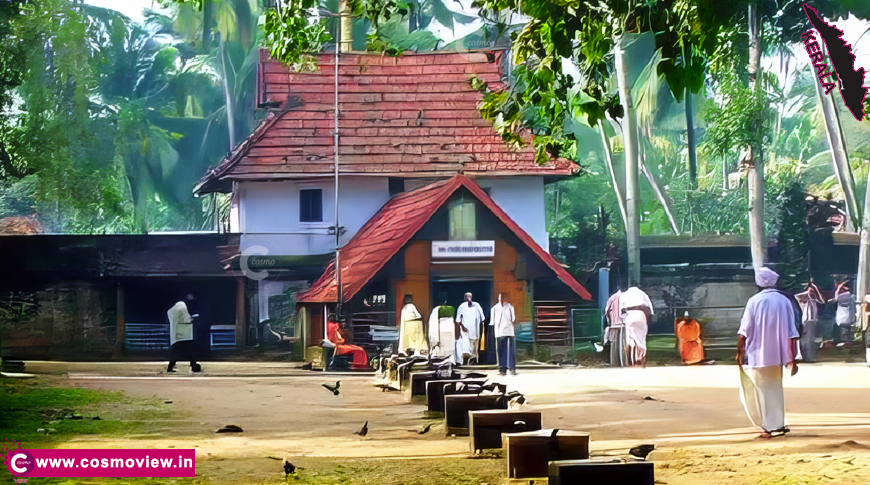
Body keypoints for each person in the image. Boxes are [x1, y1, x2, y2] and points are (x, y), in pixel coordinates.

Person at [737, 267, 800, 439]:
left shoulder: (754, 301)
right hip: (778, 355)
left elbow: (744, 330)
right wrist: (792, 358)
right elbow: (791, 332)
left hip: (757, 353)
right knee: (775, 389)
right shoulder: (784, 301)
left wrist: (739, 351)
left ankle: (768, 426)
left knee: (761, 391)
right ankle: (777, 423)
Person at [619, 286, 653, 367]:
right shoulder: (642, 293)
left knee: (629, 338)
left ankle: (630, 360)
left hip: (629, 315)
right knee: (641, 339)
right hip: (640, 315)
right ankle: (641, 359)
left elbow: (621, 309)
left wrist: (622, 318)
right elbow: (650, 308)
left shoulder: (624, 295)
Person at [167, 294, 202, 373]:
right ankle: (193, 366)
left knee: (175, 351)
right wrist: (193, 319)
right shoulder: (182, 307)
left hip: (177, 333)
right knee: (191, 349)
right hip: (185, 334)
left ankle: (170, 367)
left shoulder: (175, 307)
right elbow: (186, 319)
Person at [795, 279, 824, 362]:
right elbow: (797, 296)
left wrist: (815, 289)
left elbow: (822, 301)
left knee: (809, 340)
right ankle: (803, 356)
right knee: (803, 340)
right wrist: (807, 291)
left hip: (811, 320)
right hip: (803, 320)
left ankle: (809, 357)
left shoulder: (813, 298)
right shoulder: (800, 297)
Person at [490, 293, 517, 376]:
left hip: (509, 332)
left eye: (503, 297)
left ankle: (512, 368)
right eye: (500, 297)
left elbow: (513, 319)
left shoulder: (510, 307)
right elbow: (492, 322)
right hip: (499, 332)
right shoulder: (494, 308)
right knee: (500, 351)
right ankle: (502, 369)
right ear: (498, 298)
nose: (502, 299)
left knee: (510, 351)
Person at [456, 292, 485, 364]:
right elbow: (458, 319)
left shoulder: (477, 306)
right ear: (464, 298)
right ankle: (465, 362)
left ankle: (475, 362)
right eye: (466, 297)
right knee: (466, 348)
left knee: (474, 349)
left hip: (475, 331)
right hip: (465, 332)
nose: (468, 299)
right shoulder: (462, 306)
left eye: (469, 297)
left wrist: (481, 329)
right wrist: (462, 327)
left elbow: (482, 318)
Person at [604, 289, 625, 367]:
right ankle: (624, 363)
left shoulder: (612, 298)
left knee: (614, 345)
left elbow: (607, 311)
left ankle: (614, 364)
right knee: (623, 345)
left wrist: (609, 322)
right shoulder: (627, 297)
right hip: (624, 324)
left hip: (614, 324)